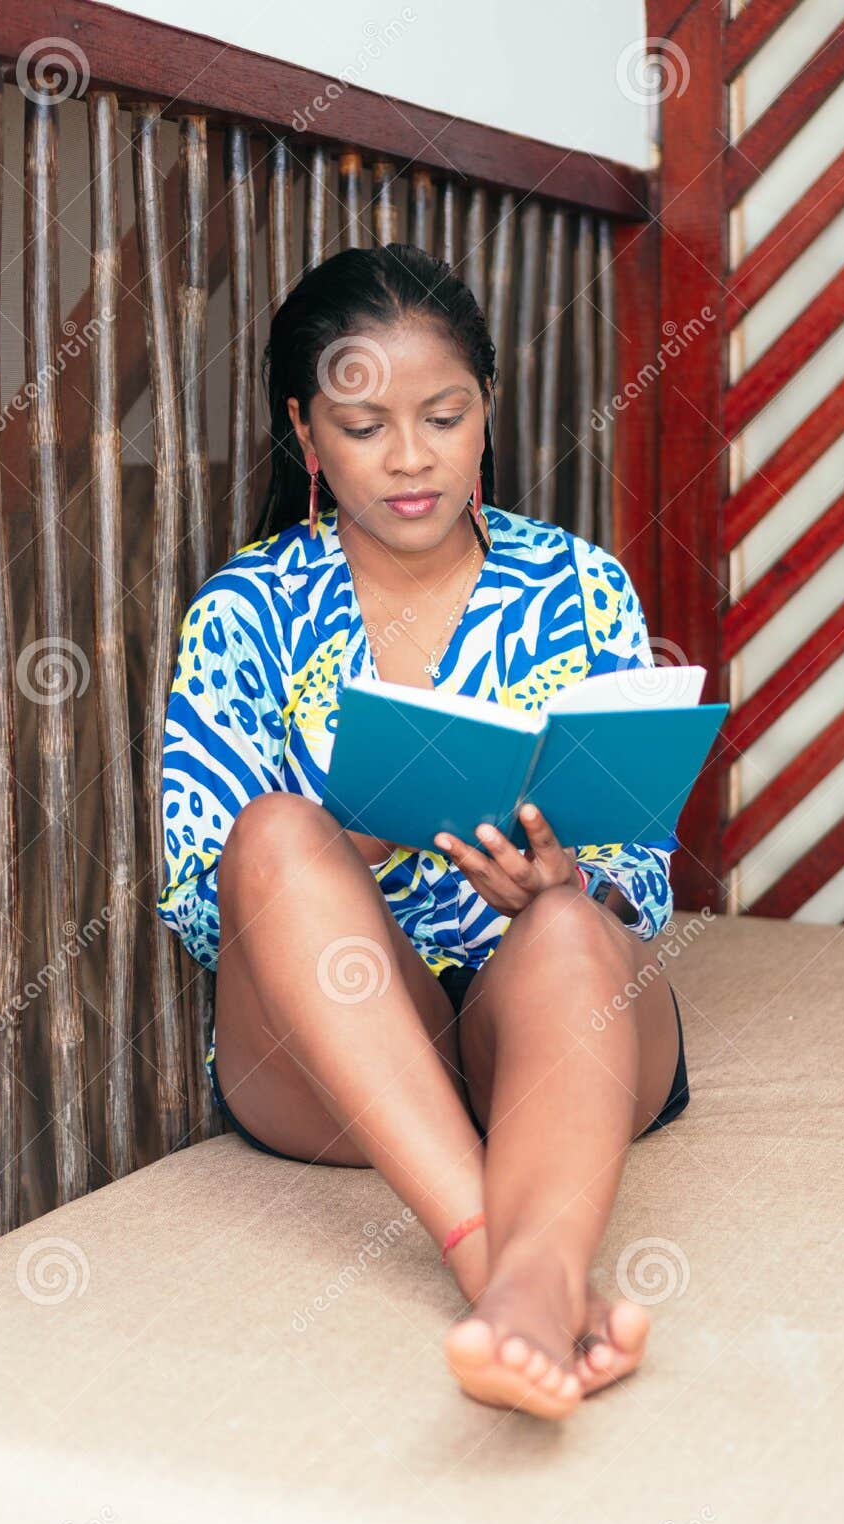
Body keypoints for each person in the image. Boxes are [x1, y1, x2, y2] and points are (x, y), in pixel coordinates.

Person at [156, 242, 691, 1421]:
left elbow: (638, 875)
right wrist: (355, 851)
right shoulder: (247, 608)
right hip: (337, 1056)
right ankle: (497, 1272)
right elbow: (205, 898)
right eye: (362, 426)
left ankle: (533, 1290)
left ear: (485, 409)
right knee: (276, 838)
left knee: (560, 923)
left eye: (443, 416)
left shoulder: (577, 586)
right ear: (304, 434)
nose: (410, 459)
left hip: (546, 1029)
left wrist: (568, 880)